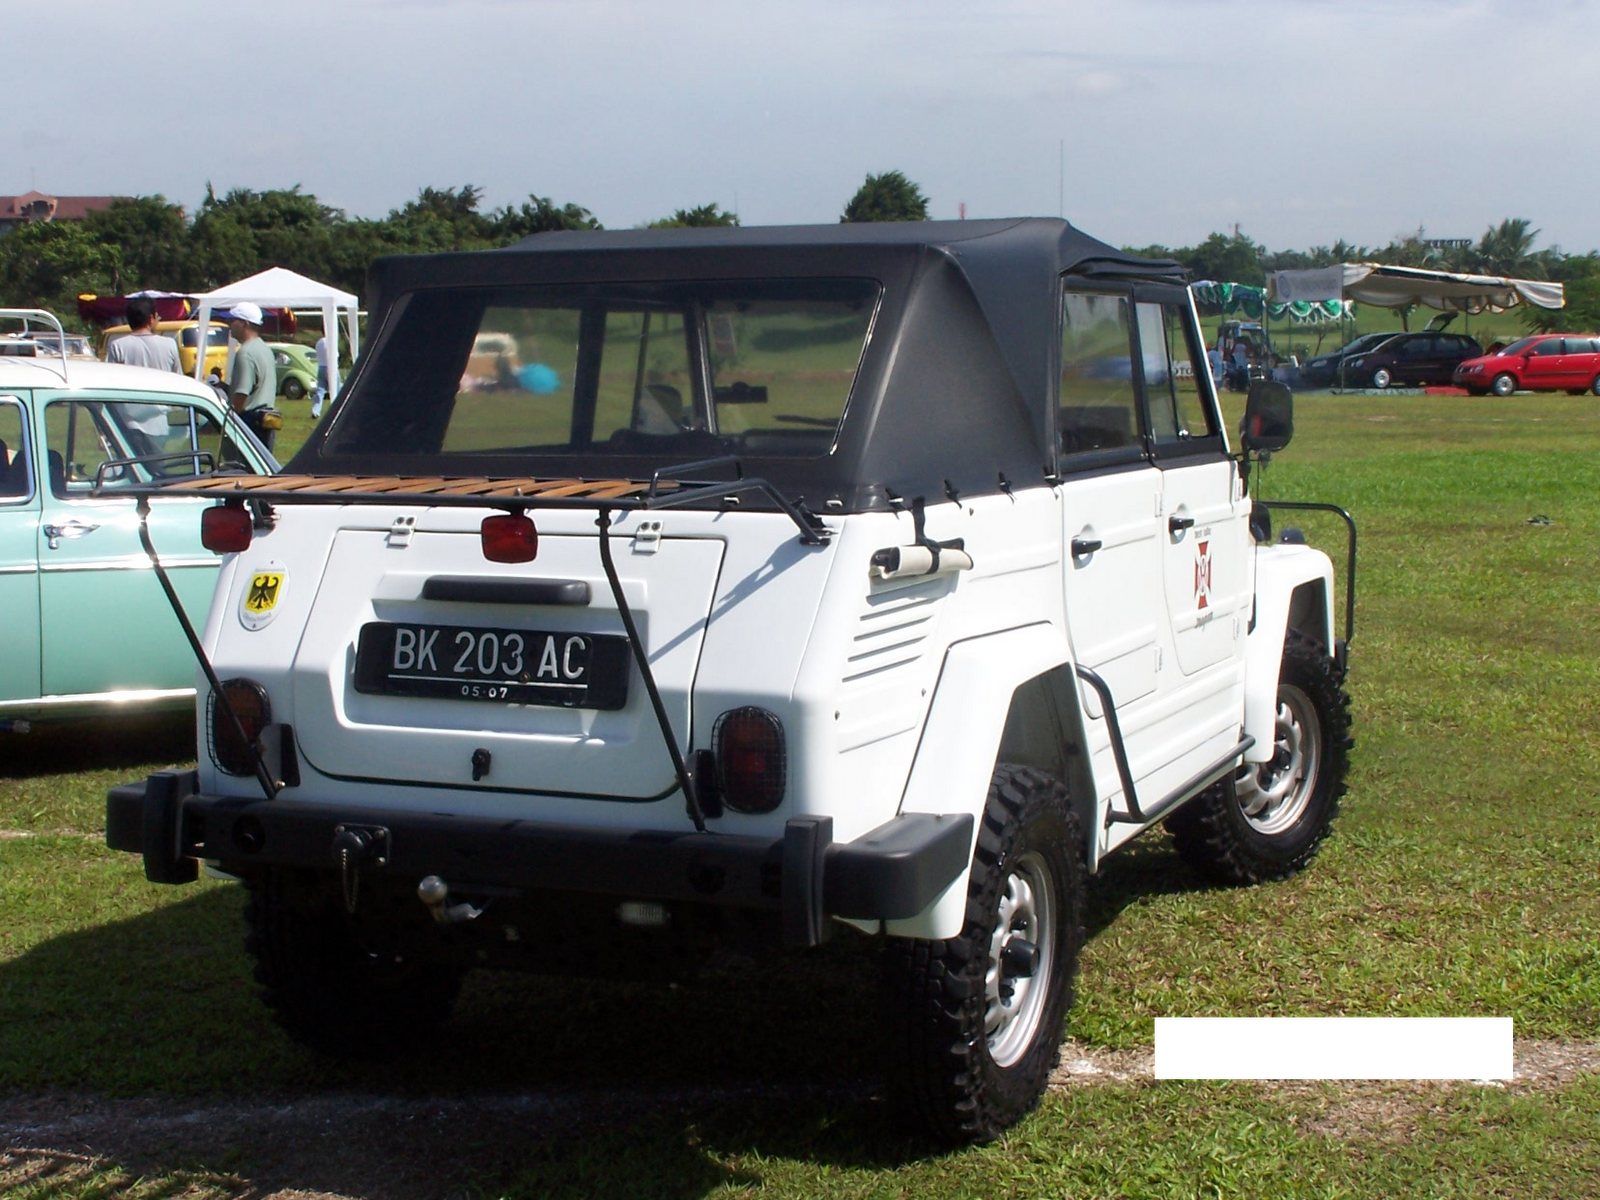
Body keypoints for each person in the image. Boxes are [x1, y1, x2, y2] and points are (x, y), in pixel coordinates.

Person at [225, 302, 279, 451]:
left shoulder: (246, 353)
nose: (229, 324)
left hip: (249, 423)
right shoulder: (264, 349)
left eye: (232, 320)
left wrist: (230, 418)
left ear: (245, 324)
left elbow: (242, 394)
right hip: (266, 421)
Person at [106, 296, 181, 372]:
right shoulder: (169, 344)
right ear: (151, 319)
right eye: (157, 317)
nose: (158, 321)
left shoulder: (117, 347)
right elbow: (178, 377)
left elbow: (112, 377)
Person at [310, 333, 329, 418]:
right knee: (336, 390)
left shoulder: (319, 342)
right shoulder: (330, 341)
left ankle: (315, 411)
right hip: (330, 367)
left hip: (321, 367)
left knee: (320, 391)